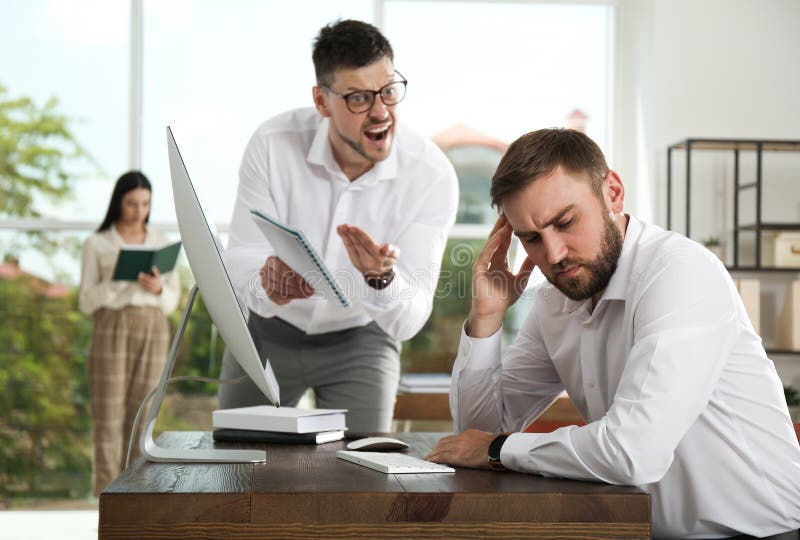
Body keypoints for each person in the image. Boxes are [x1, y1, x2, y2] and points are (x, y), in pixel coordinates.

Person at [426, 129, 800, 539]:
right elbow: (476, 433)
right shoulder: (555, 300)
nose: (553, 255)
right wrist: (486, 317)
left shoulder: (680, 273)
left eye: (565, 222)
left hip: (763, 532)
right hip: (643, 531)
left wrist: (499, 449)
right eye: (531, 238)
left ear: (614, 193)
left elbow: (632, 451)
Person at [219, 19, 458, 432]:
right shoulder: (272, 144)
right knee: (239, 466)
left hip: (362, 338)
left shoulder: (431, 175)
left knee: (364, 479)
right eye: (359, 98)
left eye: (388, 91)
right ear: (321, 101)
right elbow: (239, 253)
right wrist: (265, 279)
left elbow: (410, 318)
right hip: (267, 330)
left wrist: (382, 280)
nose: (381, 112)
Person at [79, 171, 180, 496]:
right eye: (132, 203)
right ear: (118, 202)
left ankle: (137, 498)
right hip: (111, 326)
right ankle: (106, 499)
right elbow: (85, 301)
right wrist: (120, 281)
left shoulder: (161, 244)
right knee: (107, 415)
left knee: (143, 415)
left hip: (152, 327)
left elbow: (171, 300)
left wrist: (157, 288)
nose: (139, 211)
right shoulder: (97, 243)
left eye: (145, 204)